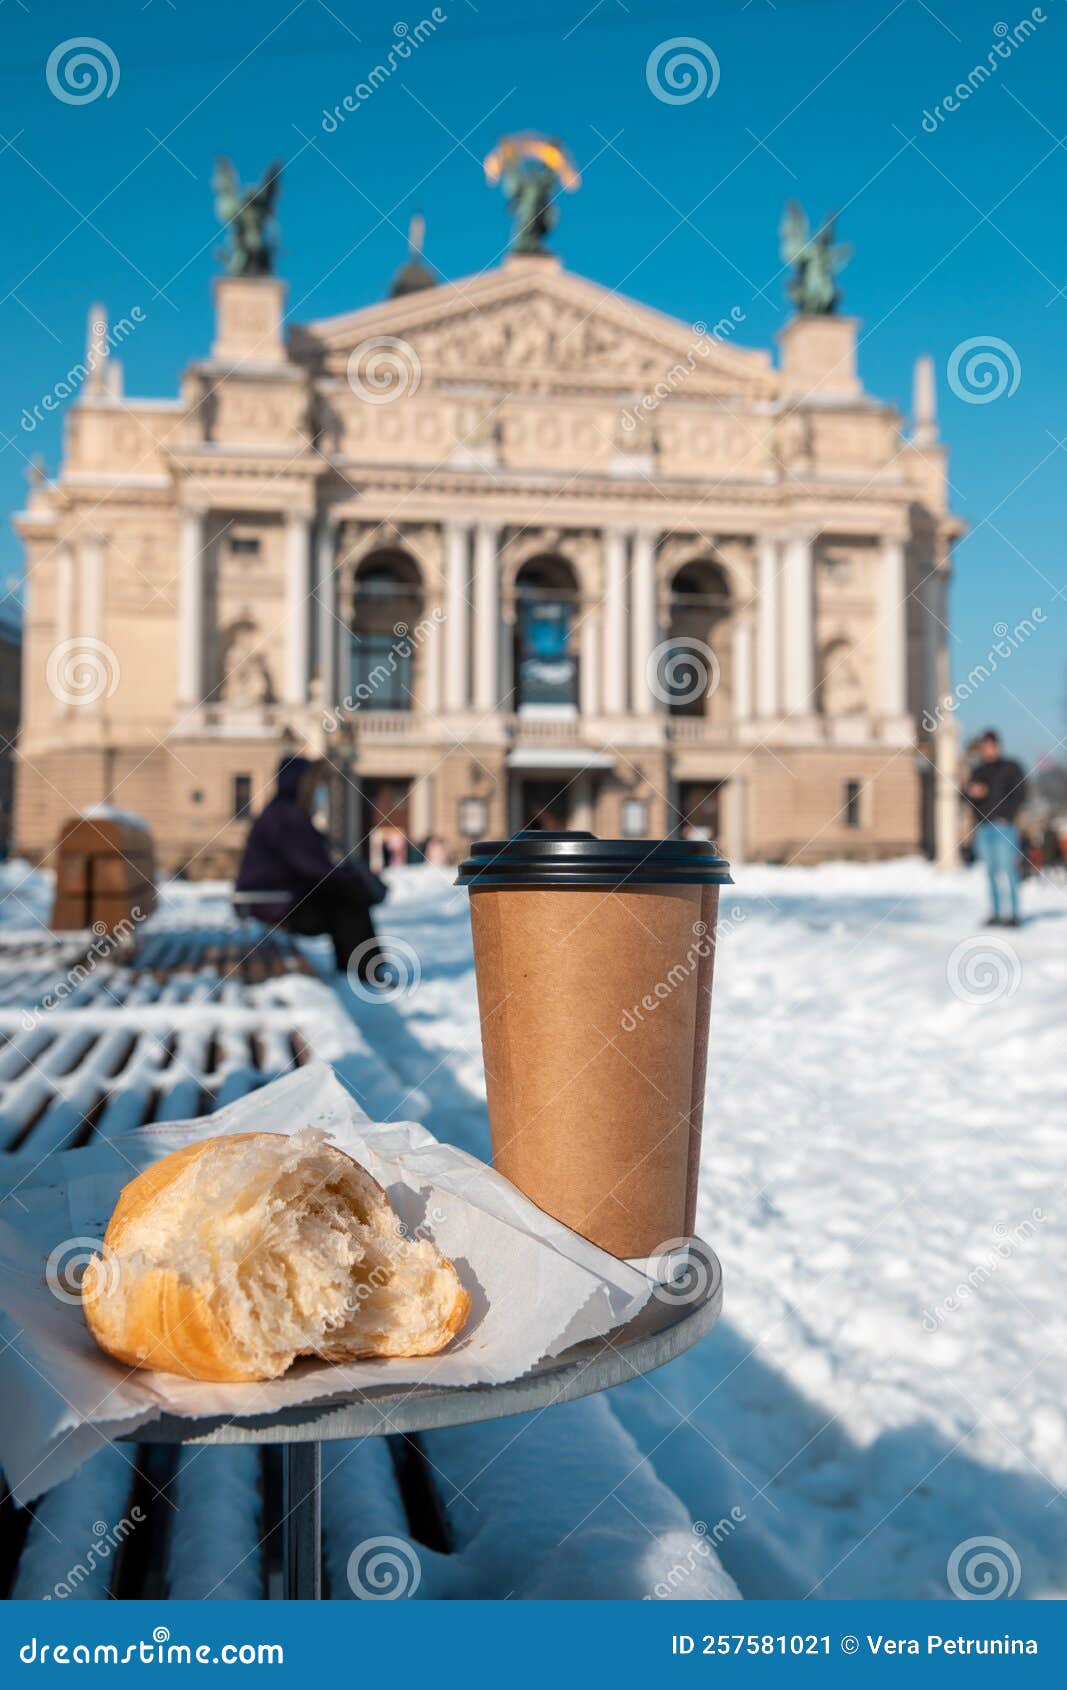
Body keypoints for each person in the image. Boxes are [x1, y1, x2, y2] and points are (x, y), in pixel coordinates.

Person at [235, 755, 388, 979]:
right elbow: (312, 866)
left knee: (344, 897)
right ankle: (363, 972)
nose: (319, 790)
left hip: (275, 899)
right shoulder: (287, 815)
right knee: (347, 899)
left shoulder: (284, 811)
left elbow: (312, 864)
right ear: (300, 784)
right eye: (315, 784)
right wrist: (352, 879)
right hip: (272, 904)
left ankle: (362, 969)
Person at [964, 730, 1027, 927]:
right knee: (991, 872)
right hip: (983, 828)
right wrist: (972, 793)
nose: (987, 750)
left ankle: (1014, 914)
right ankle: (996, 913)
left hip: (1004, 827)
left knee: (1008, 870)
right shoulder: (977, 771)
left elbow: (1021, 793)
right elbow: (965, 797)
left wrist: (1005, 816)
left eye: (990, 745)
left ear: (997, 746)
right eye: (984, 746)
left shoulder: (1011, 767)